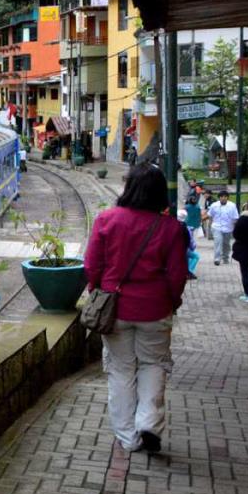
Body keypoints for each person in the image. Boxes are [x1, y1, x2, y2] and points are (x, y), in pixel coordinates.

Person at [84, 162, 188, 454]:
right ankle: (149, 424)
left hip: (115, 309)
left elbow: (92, 266)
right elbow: (177, 274)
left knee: (120, 370)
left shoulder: (107, 219)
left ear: (129, 187)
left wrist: (98, 291)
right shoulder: (171, 228)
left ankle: (128, 438)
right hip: (155, 309)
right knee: (153, 365)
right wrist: (172, 301)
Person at [207, 191, 238, 265]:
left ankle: (225, 258)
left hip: (228, 228)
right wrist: (210, 225)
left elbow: (235, 217)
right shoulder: (214, 205)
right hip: (216, 227)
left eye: (225, 197)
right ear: (219, 198)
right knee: (218, 242)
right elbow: (210, 215)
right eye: (221, 197)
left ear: (227, 197)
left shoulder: (232, 205)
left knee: (226, 244)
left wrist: (235, 227)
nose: (223, 198)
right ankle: (217, 259)